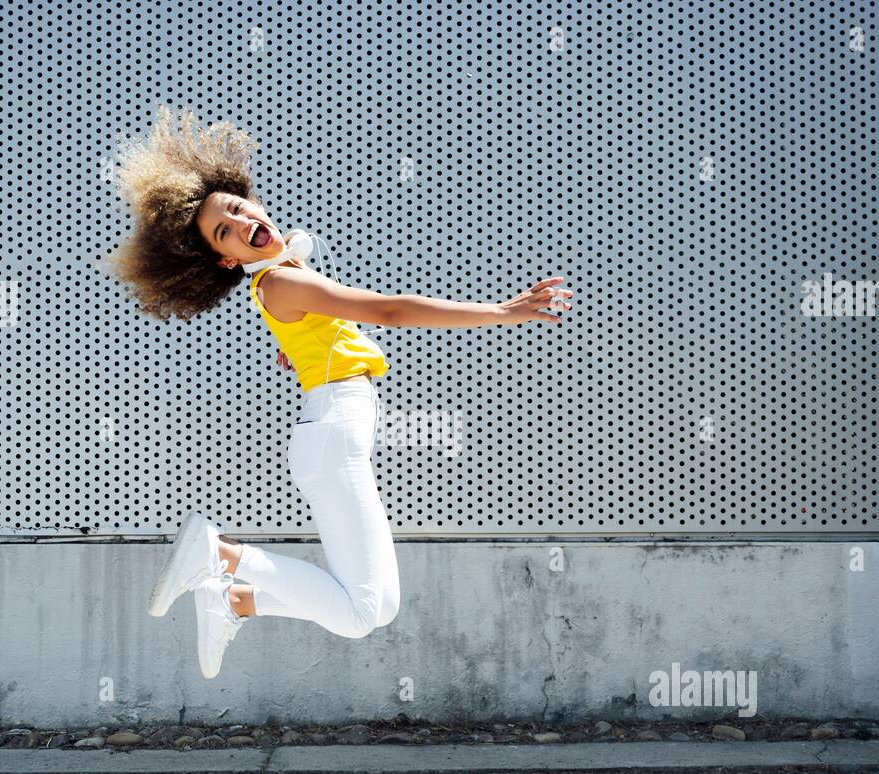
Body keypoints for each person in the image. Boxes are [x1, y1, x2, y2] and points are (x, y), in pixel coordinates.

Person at [103, 105, 571, 677]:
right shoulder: (284, 281)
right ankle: (222, 555)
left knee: (382, 606)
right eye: (224, 231)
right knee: (358, 613)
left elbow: (309, 329)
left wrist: (308, 344)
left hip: (334, 432)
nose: (239, 219)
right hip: (332, 439)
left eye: (236, 207)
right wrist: (502, 311)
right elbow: (392, 312)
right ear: (227, 258)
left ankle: (237, 598)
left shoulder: (276, 277)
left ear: (251, 199)